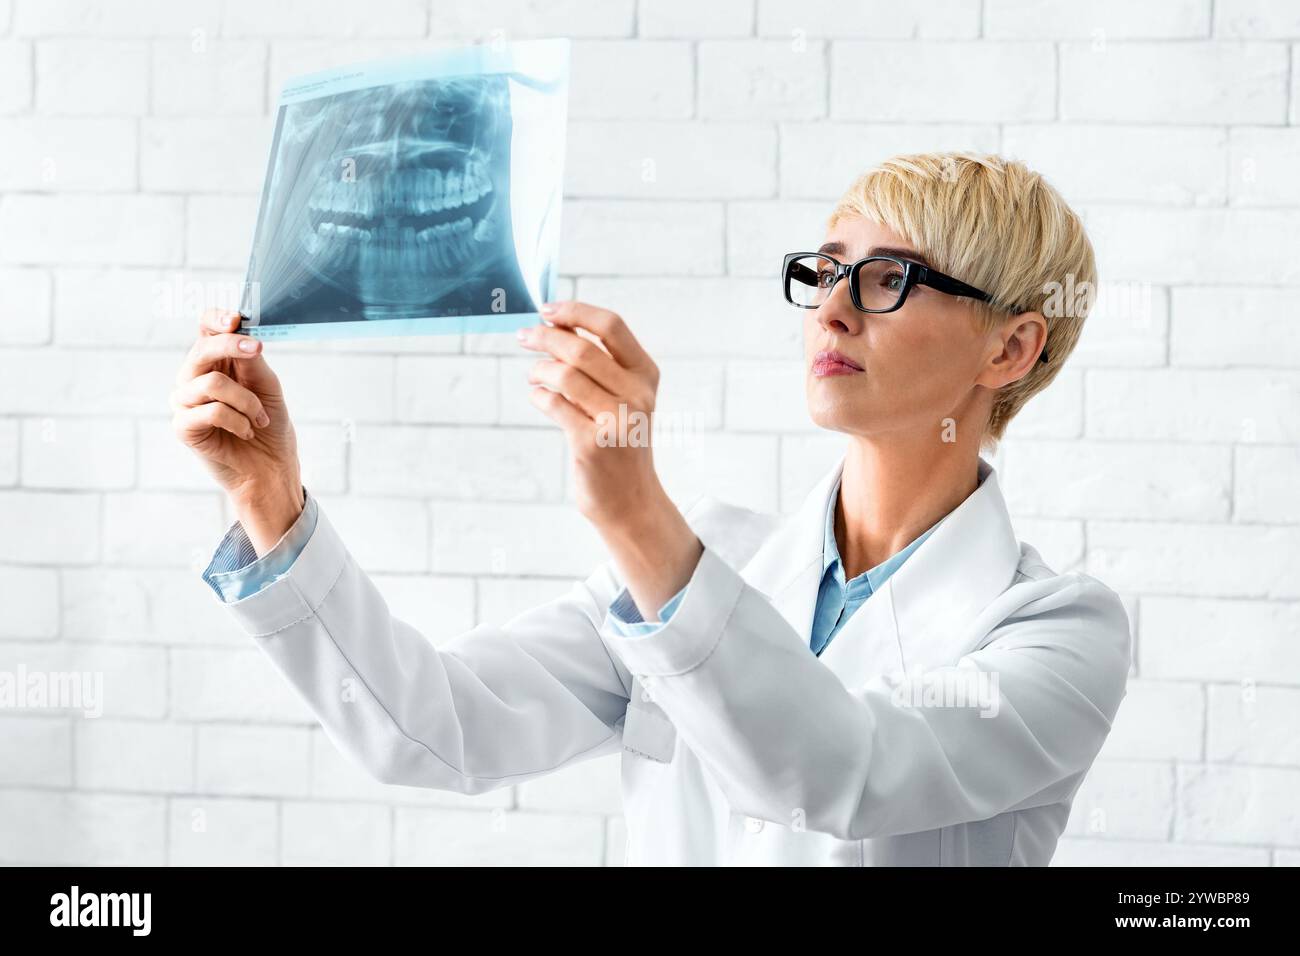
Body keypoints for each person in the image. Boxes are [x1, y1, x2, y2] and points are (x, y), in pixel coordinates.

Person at [172, 152, 1131, 866]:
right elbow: (435, 727)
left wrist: (636, 513)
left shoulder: (1058, 632)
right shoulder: (712, 553)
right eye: (826, 270)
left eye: (890, 280)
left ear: (1009, 350)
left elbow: (843, 772)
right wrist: (267, 496)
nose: (832, 309)